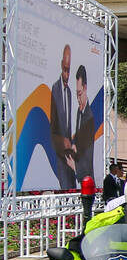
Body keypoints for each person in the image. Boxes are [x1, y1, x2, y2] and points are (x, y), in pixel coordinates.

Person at [48, 44, 77, 189]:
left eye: (69, 70)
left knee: (71, 185)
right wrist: (62, 141)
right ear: (61, 65)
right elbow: (53, 125)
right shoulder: (55, 89)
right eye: (65, 69)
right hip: (59, 151)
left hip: (69, 152)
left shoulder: (69, 92)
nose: (66, 74)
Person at [72, 65, 96, 184]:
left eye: (80, 93)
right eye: (76, 94)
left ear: (85, 88)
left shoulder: (88, 117)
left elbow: (86, 153)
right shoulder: (79, 111)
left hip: (86, 176)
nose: (78, 98)